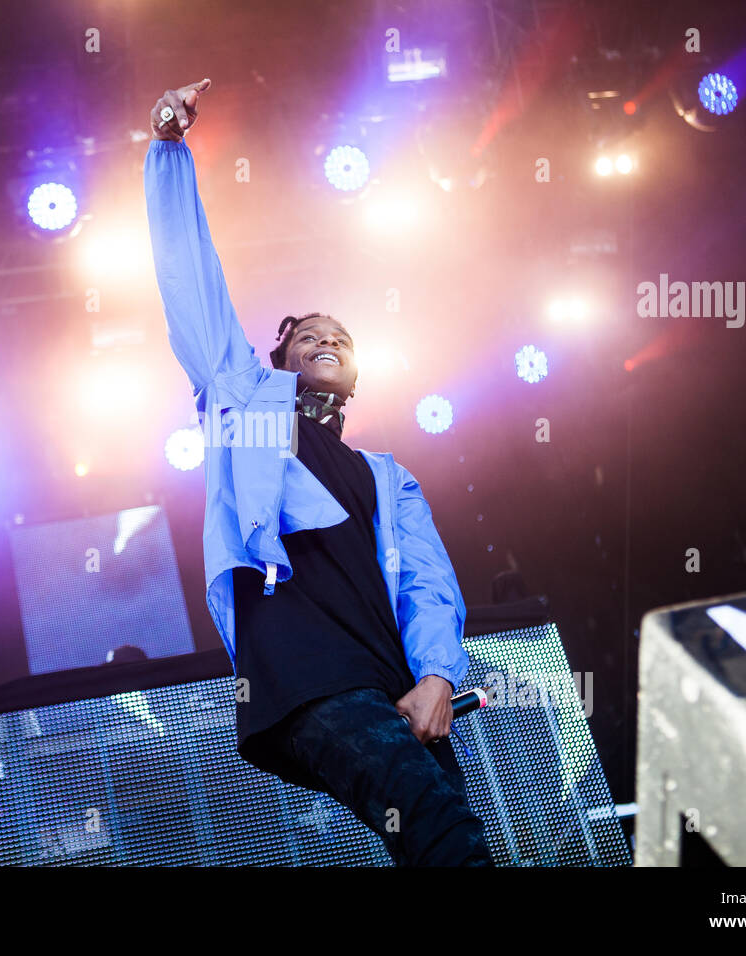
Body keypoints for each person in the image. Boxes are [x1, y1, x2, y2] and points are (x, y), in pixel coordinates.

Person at [144, 78, 491, 866]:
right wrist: (168, 151)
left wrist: (437, 674)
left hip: (393, 684)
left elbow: (430, 585)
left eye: (339, 335)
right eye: (307, 335)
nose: (325, 338)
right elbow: (189, 278)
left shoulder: (385, 474)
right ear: (279, 360)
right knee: (442, 833)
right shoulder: (245, 402)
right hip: (307, 678)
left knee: (446, 834)